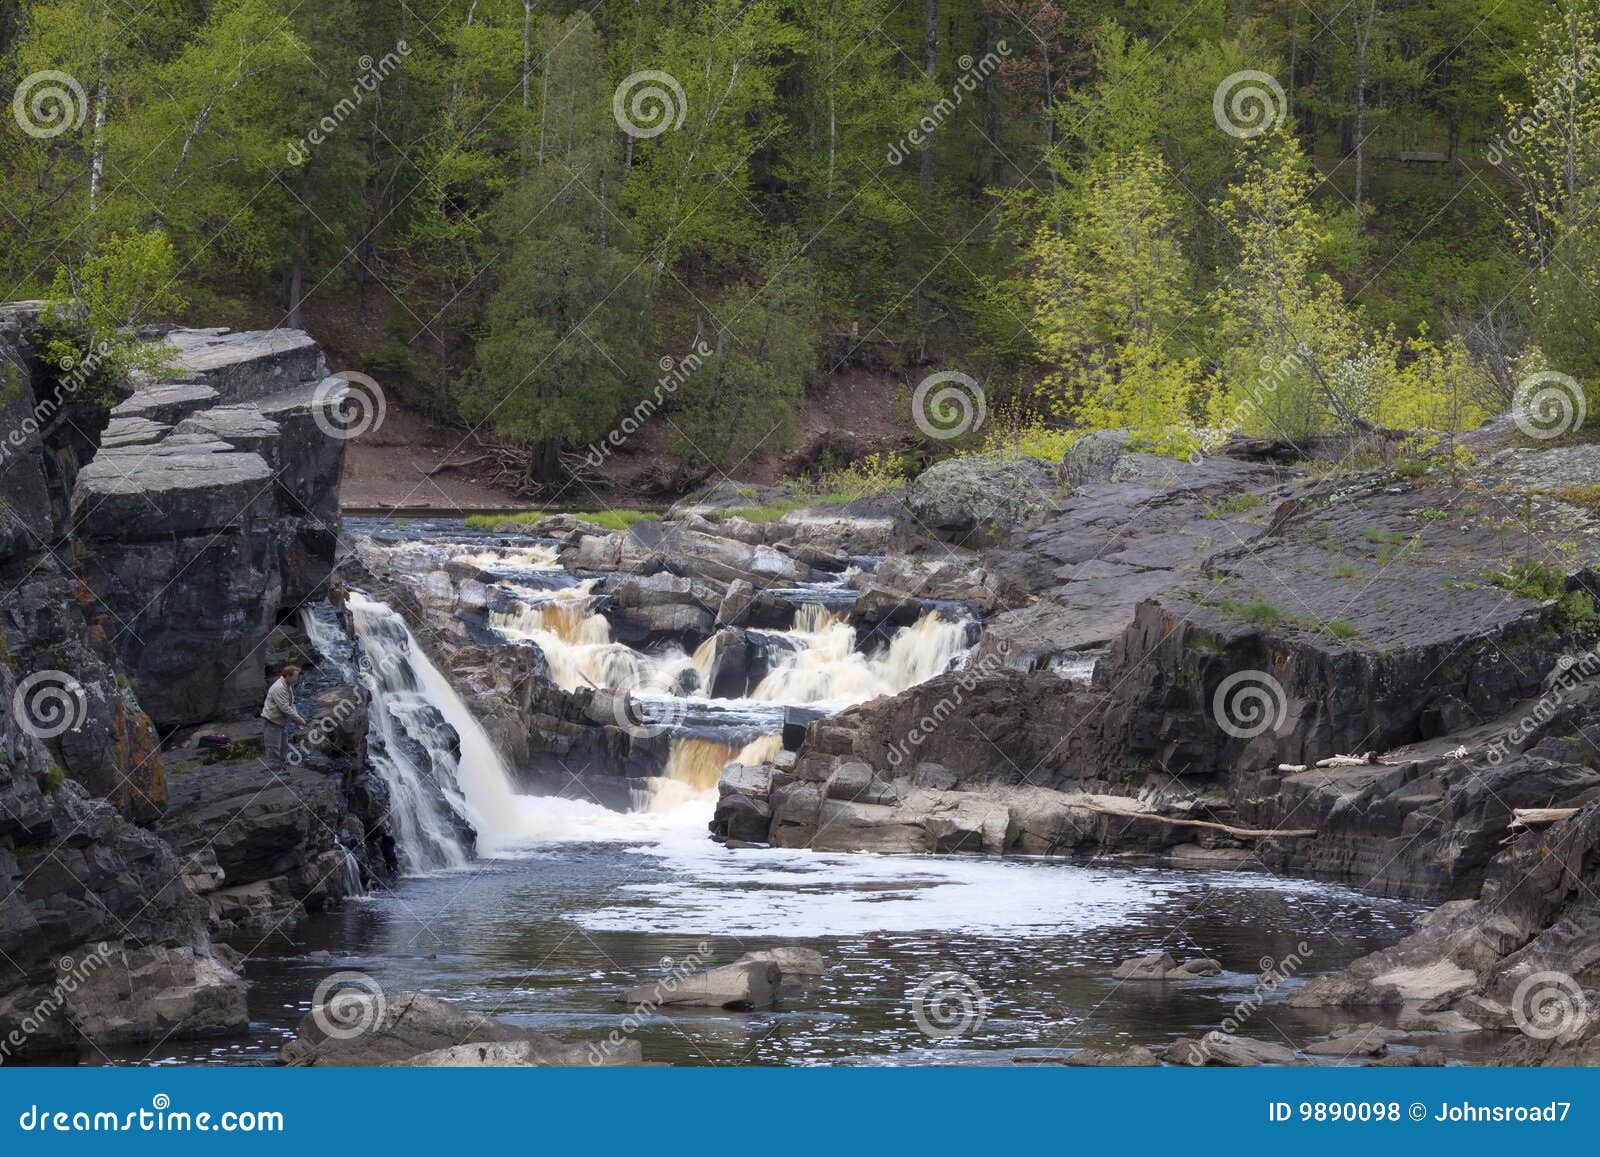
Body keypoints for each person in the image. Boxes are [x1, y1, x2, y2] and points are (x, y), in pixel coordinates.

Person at [261, 664, 308, 765]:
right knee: (273, 750)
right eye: (295, 677)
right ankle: (275, 774)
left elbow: (291, 703)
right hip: (272, 722)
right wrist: (298, 719)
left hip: (281, 722)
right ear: (288, 676)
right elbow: (284, 707)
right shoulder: (279, 687)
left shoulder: (288, 685)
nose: (297, 679)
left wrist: (297, 717)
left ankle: (282, 769)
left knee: (283, 748)